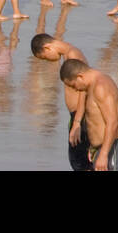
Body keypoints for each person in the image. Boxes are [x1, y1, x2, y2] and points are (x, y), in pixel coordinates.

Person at [30, 33, 91, 171]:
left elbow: (85, 88)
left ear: (47, 48)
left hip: (81, 117)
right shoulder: (68, 55)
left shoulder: (73, 55)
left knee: (81, 162)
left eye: (45, 57)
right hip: (76, 116)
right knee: (77, 160)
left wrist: (77, 122)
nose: (48, 60)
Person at [60, 59, 118, 171]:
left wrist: (104, 154)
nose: (75, 90)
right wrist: (95, 148)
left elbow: (113, 122)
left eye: (73, 85)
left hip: (114, 148)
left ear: (80, 76)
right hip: (105, 148)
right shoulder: (92, 85)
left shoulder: (101, 86)